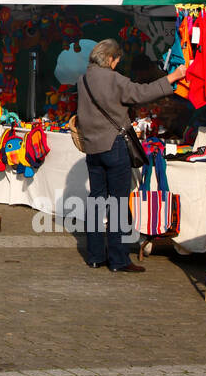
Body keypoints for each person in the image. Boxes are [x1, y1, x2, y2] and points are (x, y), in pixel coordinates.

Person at [75, 38, 187, 274]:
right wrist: (172, 78)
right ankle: (117, 259)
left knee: (97, 201)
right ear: (110, 59)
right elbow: (141, 93)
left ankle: (95, 256)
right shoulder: (114, 79)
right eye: (116, 60)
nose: (116, 65)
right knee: (116, 203)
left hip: (92, 148)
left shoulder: (82, 80)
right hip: (114, 146)